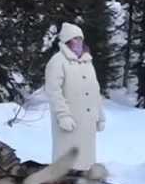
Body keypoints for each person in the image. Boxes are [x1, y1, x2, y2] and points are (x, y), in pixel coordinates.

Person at [44, 22, 105, 171]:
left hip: (87, 124)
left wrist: (100, 116)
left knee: (85, 163)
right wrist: (62, 115)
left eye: (80, 38)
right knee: (67, 164)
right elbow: (53, 91)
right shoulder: (57, 61)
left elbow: (95, 91)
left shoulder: (87, 62)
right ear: (66, 41)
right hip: (69, 123)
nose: (78, 42)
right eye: (74, 39)